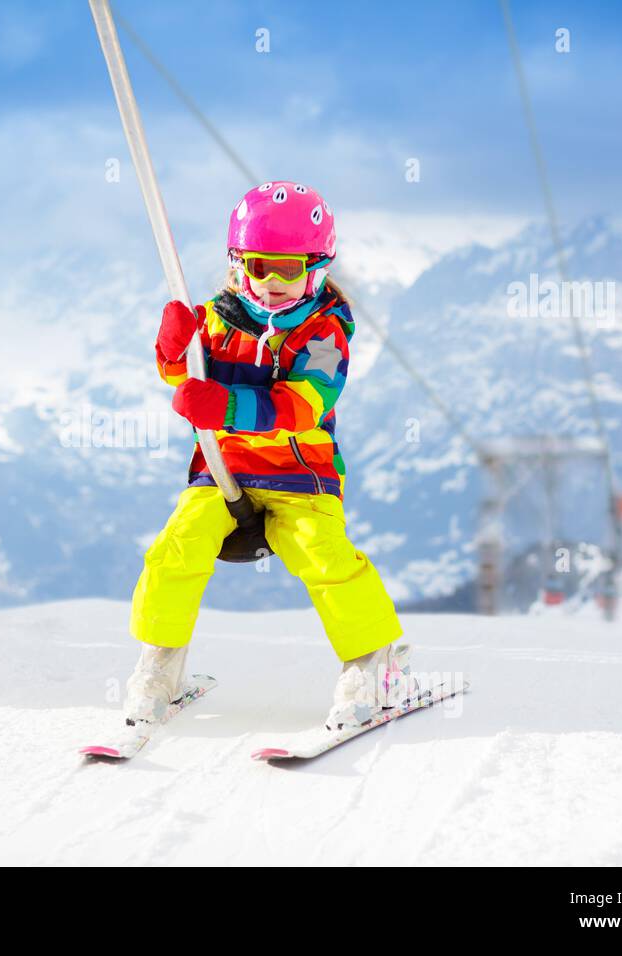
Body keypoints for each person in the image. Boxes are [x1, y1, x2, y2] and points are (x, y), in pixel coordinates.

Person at [125, 181, 413, 731]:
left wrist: (225, 406)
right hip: (222, 473)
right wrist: (172, 347)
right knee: (174, 551)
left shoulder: (326, 331)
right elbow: (184, 374)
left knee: (324, 558)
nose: (275, 283)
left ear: (318, 269)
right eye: (261, 267)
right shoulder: (216, 317)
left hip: (301, 480)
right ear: (239, 266)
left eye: (291, 269)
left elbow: (302, 406)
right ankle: (162, 663)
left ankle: (372, 664)